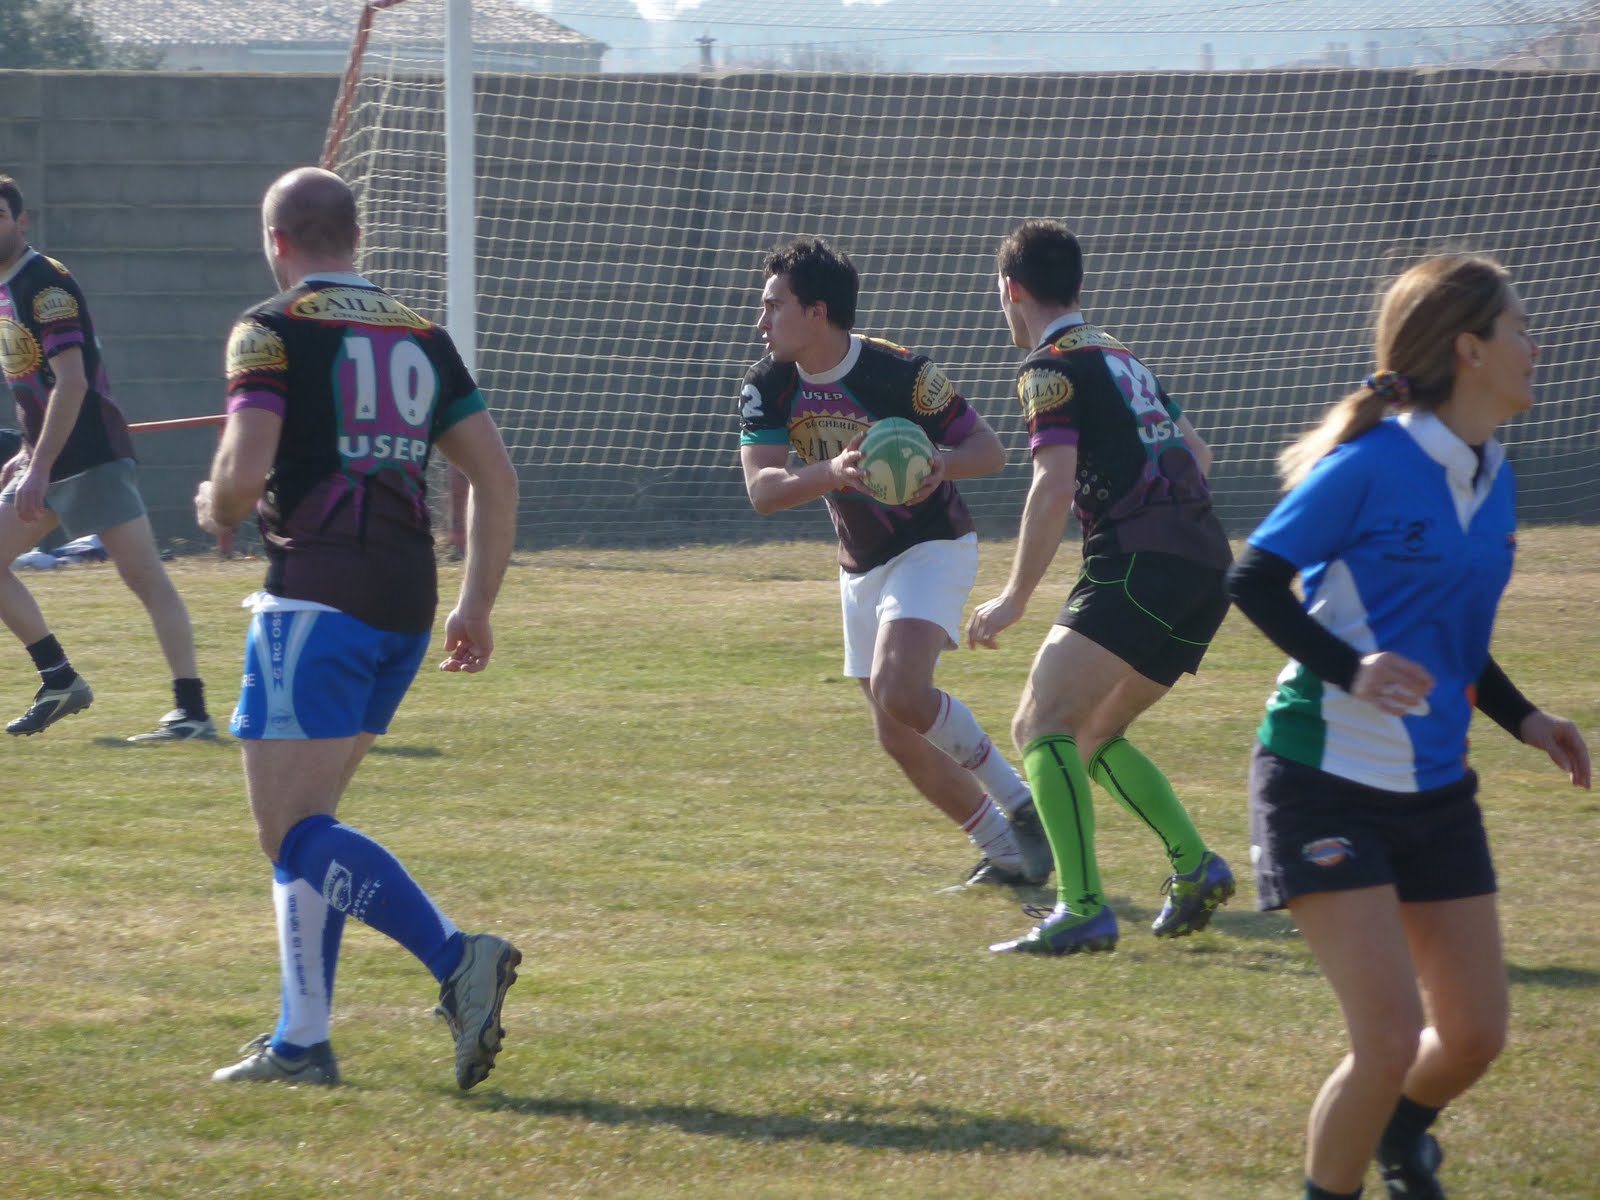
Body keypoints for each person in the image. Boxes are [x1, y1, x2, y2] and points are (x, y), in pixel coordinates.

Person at [1226, 252, 1590, 1200]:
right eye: (1520, 327)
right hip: (1321, 778)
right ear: (1469, 349)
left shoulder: (1494, 476)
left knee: (1474, 1036)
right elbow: (1253, 579)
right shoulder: (1371, 465)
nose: (1536, 345)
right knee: (1386, 1039)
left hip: (1436, 792)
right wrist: (1352, 668)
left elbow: (1453, 642)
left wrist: (1526, 718)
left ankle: (1402, 1136)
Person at [197, 167, 522, 1090]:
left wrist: (214, 497)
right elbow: (496, 481)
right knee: (315, 824)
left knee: (290, 832)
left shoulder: (266, 333)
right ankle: (302, 1040)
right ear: (355, 237)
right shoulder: (422, 333)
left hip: (315, 594)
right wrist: (477, 604)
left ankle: (458, 959)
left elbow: (244, 473)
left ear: (278, 241)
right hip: (406, 601)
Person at [738, 236, 1052, 892]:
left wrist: (939, 466)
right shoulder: (767, 385)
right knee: (897, 733)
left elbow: (989, 451)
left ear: (817, 313)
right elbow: (765, 493)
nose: (760, 321)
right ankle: (1009, 855)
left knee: (902, 690)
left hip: (931, 543)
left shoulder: (901, 372)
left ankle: (1019, 802)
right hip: (860, 564)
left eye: (774, 306)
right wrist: (836, 471)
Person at [967, 219, 1236, 955]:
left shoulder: (1047, 369)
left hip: (1138, 566)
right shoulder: (1124, 356)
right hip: (1209, 569)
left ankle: (1082, 907)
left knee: (1038, 724)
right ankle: (1194, 865)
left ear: (1013, 290)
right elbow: (1199, 456)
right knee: (1092, 731)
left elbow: (1052, 486)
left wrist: (1016, 598)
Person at [0, 174, 214, 741]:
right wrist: (27, 453)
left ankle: (191, 714)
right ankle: (59, 678)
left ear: (21, 223)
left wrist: (41, 465)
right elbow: (34, 381)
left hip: (88, 454)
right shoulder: (4, 285)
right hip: (48, 457)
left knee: (145, 579)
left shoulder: (44, 283)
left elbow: (72, 383)